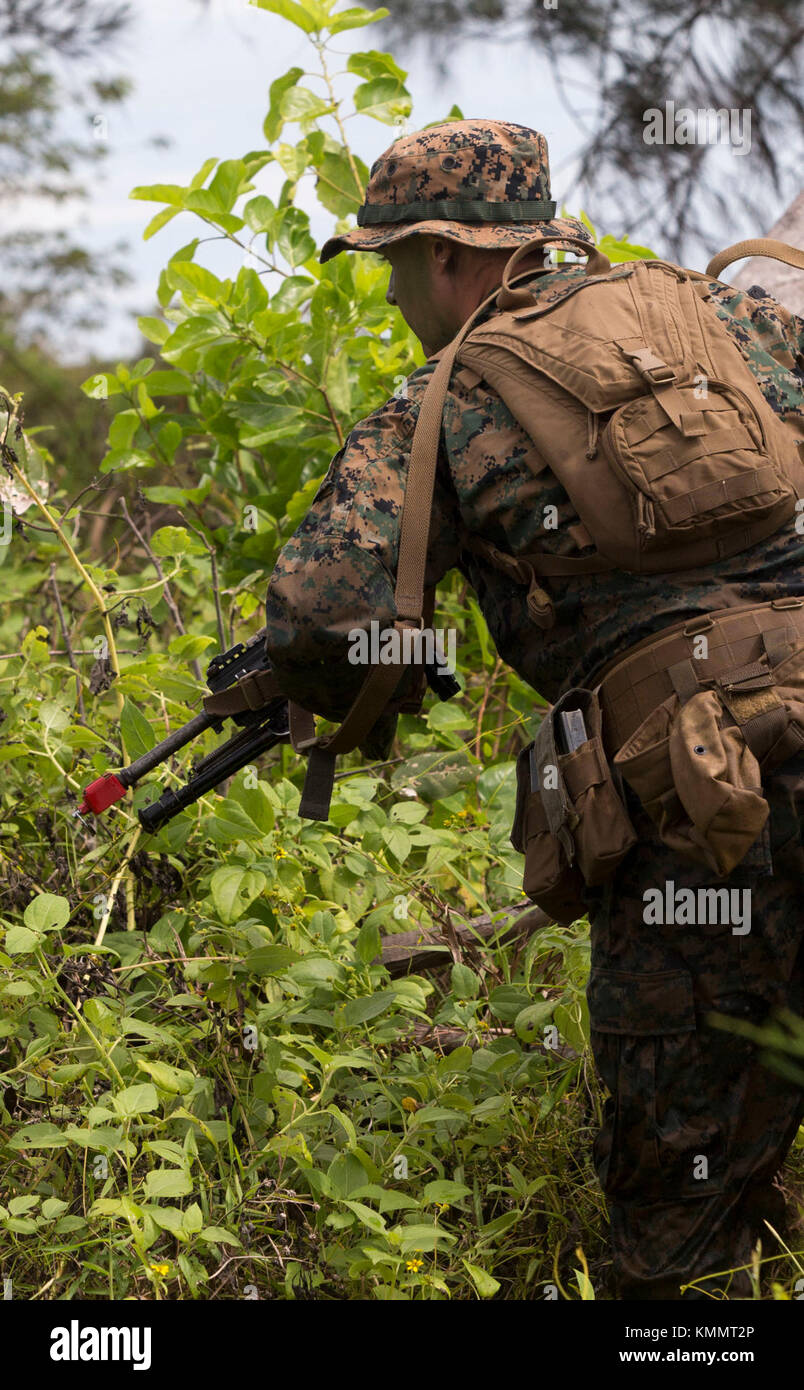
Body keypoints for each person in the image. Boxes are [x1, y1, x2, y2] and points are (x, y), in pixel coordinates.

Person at [262, 119, 804, 1299]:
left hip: (705, 814)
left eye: (398, 265)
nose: (398, 293)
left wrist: (381, 678)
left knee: (683, 1237)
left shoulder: (436, 404)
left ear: (455, 258)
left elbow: (322, 616)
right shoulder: (722, 318)